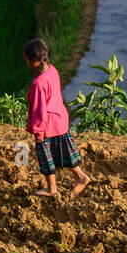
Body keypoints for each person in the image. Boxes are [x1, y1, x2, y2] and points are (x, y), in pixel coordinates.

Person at [23, 38, 89, 198]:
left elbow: (40, 110)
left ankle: (52, 188)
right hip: (60, 121)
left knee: (46, 157)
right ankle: (81, 177)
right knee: (66, 153)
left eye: (26, 59)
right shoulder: (52, 70)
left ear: (33, 61)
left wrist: (38, 133)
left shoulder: (38, 84)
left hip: (47, 126)